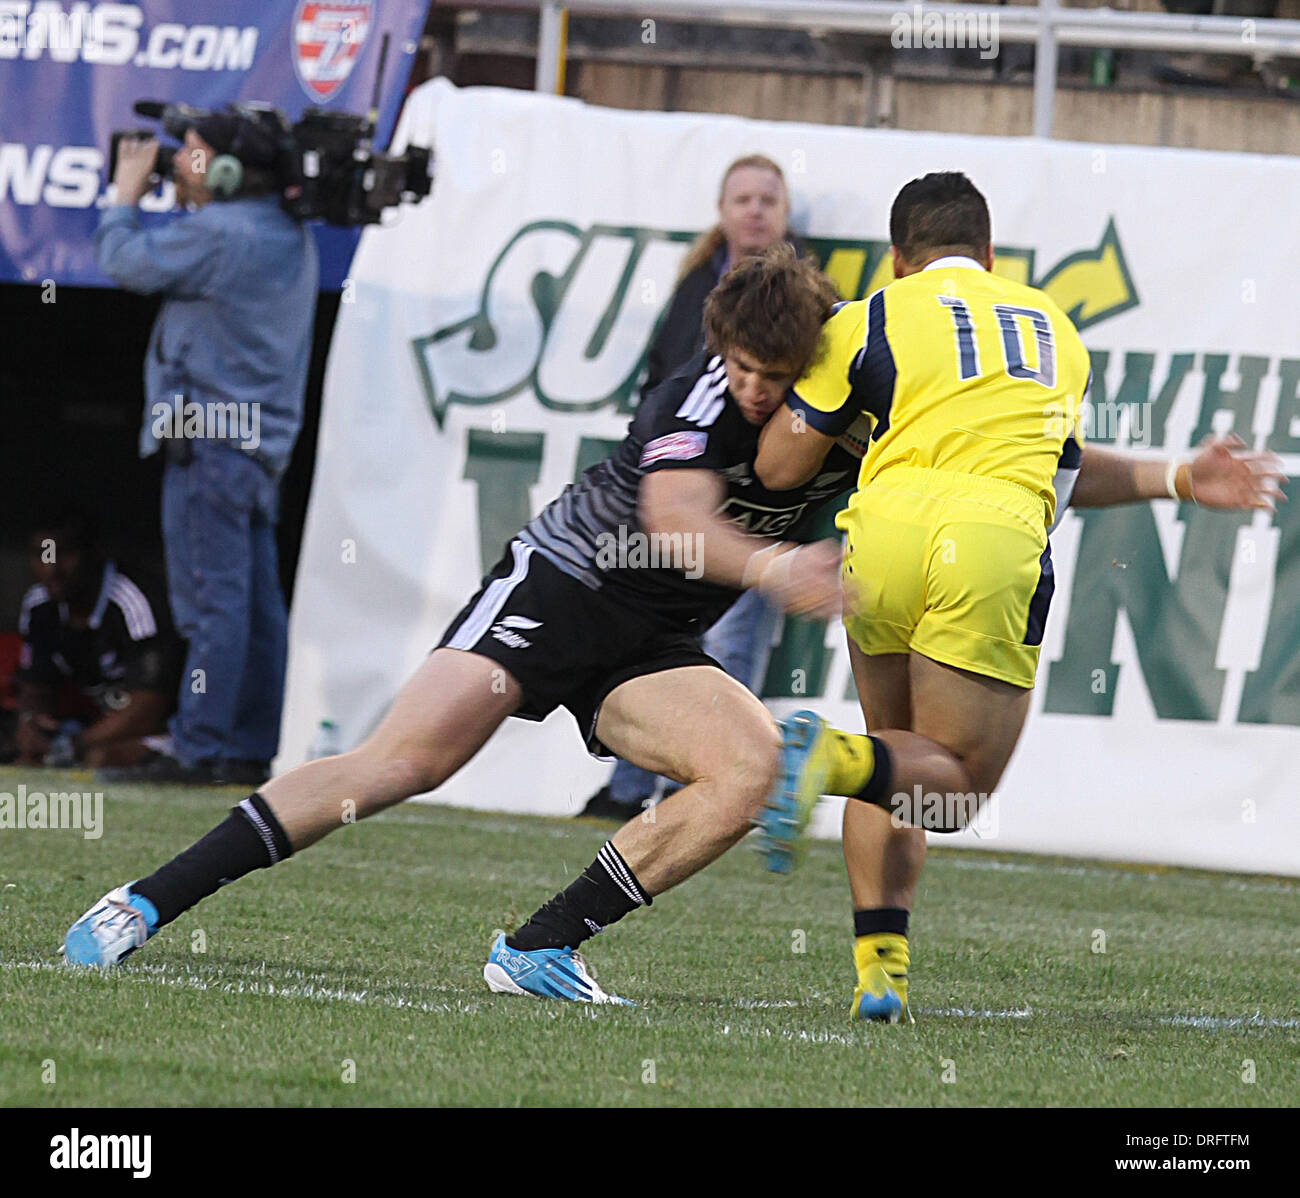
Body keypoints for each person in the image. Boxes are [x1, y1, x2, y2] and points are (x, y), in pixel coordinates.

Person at [61, 246, 848, 988]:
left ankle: (540, 948)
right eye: (741, 367)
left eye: (771, 376)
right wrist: (774, 565)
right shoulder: (700, 396)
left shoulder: (844, 406)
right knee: (400, 766)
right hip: (563, 587)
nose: (752, 387)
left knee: (752, 772)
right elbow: (674, 518)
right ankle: (144, 902)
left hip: (654, 638)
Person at [750, 171, 1287, 1023]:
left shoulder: (866, 320)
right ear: (991, 255)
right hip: (992, 541)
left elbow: (779, 467)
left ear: (897, 260)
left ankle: (877, 972)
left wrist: (839, 420)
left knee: (899, 759)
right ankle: (824, 758)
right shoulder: (1054, 332)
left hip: (880, 535)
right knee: (951, 789)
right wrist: (1178, 474)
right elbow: (1061, 475)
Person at [94, 108, 319, 786]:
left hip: (208, 442)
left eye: (188, 150)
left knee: (210, 601)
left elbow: (124, 263)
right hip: (258, 444)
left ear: (225, 168)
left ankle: (195, 748)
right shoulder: (287, 234)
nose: (176, 159)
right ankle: (246, 746)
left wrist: (124, 198)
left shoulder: (220, 233)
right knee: (254, 605)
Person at [579, 153, 794, 821]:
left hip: (755, 504)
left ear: (784, 215)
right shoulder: (692, 287)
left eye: (768, 199)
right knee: (650, 642)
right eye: (743, 199)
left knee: (730, 646)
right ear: (723, 212)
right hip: (679, 503)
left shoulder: (804, 301)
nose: (755, 210)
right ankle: (626, 789)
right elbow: (657, 389)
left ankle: (702, 785)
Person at [16, 507, 182, 769]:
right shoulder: (40, 606)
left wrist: (77, 744)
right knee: (28, 758)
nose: (52, 568)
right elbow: (35, 686)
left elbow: (149, 710)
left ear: (94, 554)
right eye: (41, 555)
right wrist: (31, 722)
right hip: (94, 727)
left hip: (172, 730)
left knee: (102, 759)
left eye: (65, 554)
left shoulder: (132, 601)